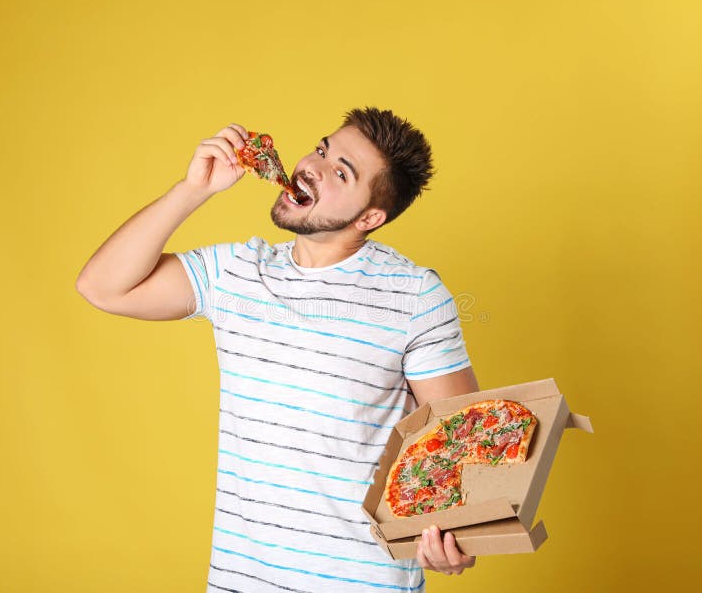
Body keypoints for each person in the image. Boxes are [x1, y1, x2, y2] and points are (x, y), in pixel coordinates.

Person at [76, 107, 479, 592]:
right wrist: (194, 190)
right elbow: (103, 287)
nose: (312, 165)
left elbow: (458, 444)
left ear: (371, 217)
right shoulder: (238, 272)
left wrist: (454, 539)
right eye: (323, 149)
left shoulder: (414, 296)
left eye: (340, 173)